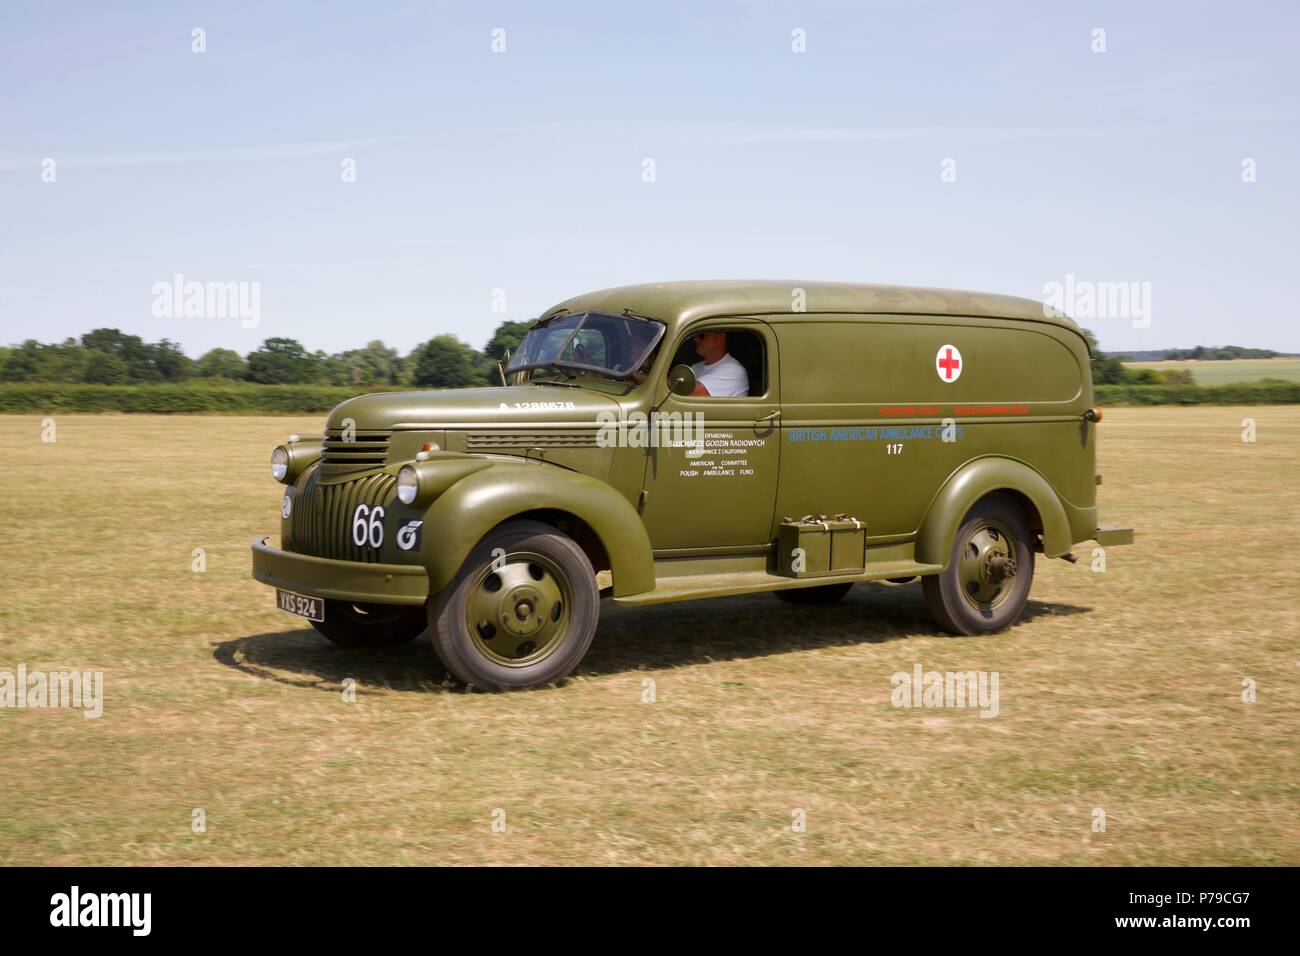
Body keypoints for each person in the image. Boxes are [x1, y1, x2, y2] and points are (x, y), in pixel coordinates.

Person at [686, 331, 749, 397]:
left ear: (721, 338)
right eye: (695, 335)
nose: (695, 339)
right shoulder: (695, 367)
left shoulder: (734, 370)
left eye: (702, 335)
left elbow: (690, 392)